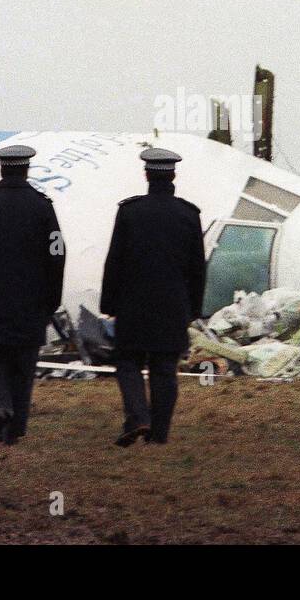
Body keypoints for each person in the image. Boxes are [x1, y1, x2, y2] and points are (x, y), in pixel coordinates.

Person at [0, 144, 65, 444]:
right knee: (24, 362)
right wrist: (52, 298)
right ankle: (15, 430)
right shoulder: (44, 207)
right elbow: (57, 252)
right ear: (26, 169)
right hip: (33, 302)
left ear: (1, 169)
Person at [100, 147, 206, 446]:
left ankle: (138, 416)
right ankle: (158, 435)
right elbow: (198, 268)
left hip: (133, 304)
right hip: (173, 306)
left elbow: (115, 261)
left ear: (146, 175)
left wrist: (109, 303)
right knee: (164, 368)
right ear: (174, 175)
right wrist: (194, 308)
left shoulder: (130, 211)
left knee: (128, 363)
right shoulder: (188, 215)